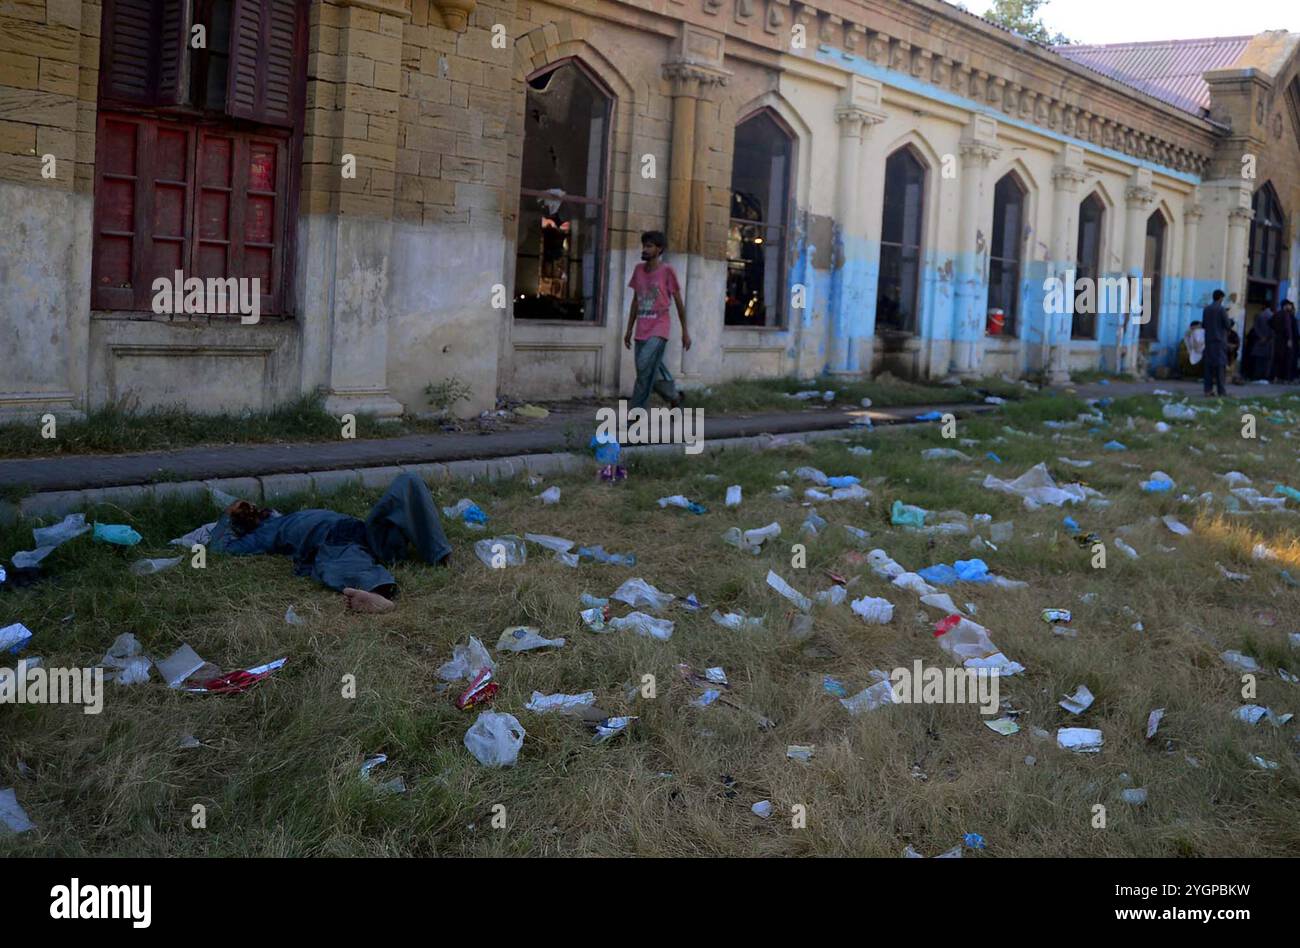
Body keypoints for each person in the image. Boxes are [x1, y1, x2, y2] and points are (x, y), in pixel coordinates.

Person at [209, 472, 452, 613]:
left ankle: (440, 553)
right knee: (339, 562)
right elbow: (220, 548)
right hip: (338, 543)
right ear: (246, 524)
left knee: (408, 481)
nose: (251, 506)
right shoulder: (264, 533)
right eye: (245, 511)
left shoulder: (287, 516)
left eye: (250, 504)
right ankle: (377, 594)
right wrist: (227, 515)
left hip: (367, 531)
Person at [624, 230, 690, 410]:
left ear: (659, 249)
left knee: (644, 366)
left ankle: (635, 414)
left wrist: (685, 331)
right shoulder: (638, 270)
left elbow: (678, 303)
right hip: (640, 329)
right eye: (644, 246)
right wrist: (629, 329)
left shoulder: (667, 271)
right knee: (646, 370)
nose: (644, 249)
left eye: (649, 246)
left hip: (659, 328)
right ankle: (674, 396)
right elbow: (636, 301)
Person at [1202, 289, 1230, 397]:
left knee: (1208, 367)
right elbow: (1227, 325)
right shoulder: (1221, 309)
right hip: (1219, 342)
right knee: (1219, 367)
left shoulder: (1206, 309)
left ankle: (1207, 390)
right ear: (1220, 298)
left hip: (1209, 341)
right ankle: (1221, 391)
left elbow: (1204, 325)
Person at [1244, 304, 1274, 381]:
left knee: (1257, 361)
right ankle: (1263, 377)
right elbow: (1272, 330)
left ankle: (1255, 377)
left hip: (1259, 341)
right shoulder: (1272, 315)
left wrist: (1261, 337)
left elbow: (1256, 328)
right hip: (1267, 342)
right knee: (1265, 361)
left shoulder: (1259, 316)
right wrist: (1267, 338)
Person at [1277, 299, 1299, 382]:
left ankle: (1289, 377)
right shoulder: (1286, 316)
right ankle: (1287, 377)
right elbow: (1289, 329)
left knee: (1291, 359)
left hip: (1293, 341)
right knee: (1289, 360)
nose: (1291, 308)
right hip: (1289, 341)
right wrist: (1290, 339)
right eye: (1289, 306)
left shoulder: (1290, 316)